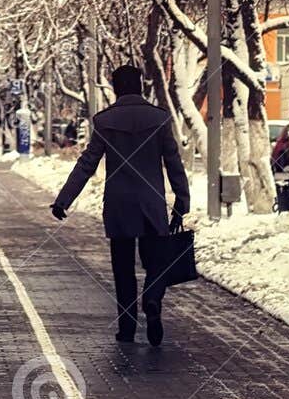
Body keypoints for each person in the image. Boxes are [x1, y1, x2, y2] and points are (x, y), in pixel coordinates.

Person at [48, 64, 190, 345]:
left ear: (115, 88)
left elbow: (87, 163)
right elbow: (173, 162)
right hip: (152, 202)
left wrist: (64, 200)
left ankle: (127, 328)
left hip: (119, 204)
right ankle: (152, 298)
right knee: (156, 262)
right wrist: (182, 200)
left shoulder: (104, 121)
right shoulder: (159, 119)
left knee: (123, 268)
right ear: (140, 86)